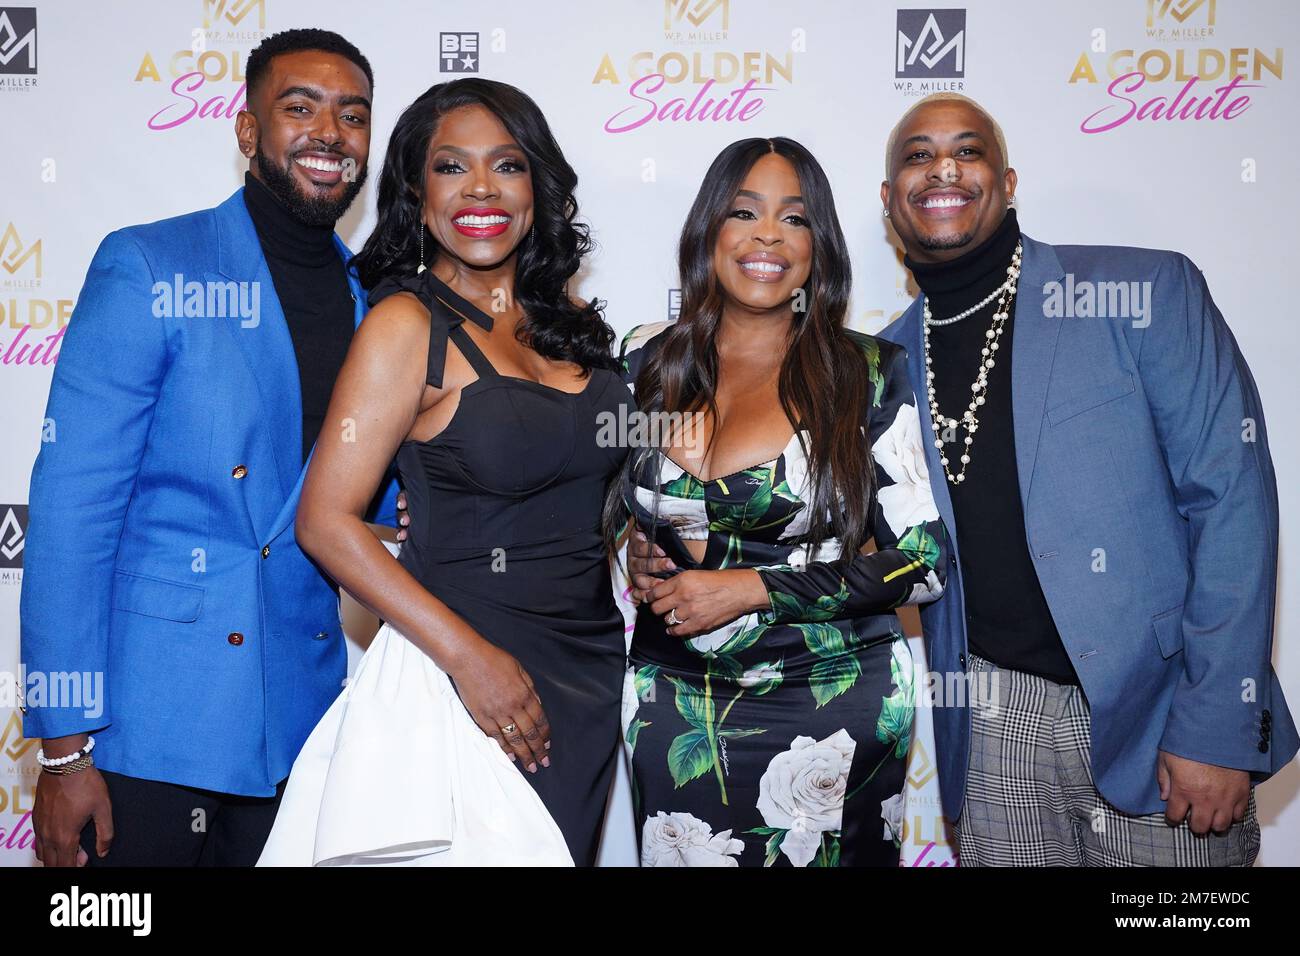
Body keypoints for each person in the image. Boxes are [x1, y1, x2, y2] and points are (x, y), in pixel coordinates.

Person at [20, 29, 398, 866]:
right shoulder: (152, 264)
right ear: (247, 131)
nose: (329, 134)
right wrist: (63, 747)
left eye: (353, 115)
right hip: (145, 730)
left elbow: (372, 510)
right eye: (299, 108)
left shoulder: (378, 308)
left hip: (301, 732)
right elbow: (71, 513)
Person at [255, 78, 633, 867]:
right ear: (416, 193)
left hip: (590, 672)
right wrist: (468, 659)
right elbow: (324, 521)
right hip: (462, 676)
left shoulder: (573, 327)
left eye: (508, 165)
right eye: (452, 167)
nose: (483, 189)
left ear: (539, 186)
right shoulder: (405, 325)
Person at [614, 138, 947, 867]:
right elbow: (595, 498)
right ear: (710, 231)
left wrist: (750, 588)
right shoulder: (645, 361)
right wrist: (636, 552)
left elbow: (924, 567)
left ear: (817, 247)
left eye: (793, 219)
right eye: (744, 211)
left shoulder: (867, 373)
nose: (768, 234)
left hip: (828, 705)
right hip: (673, 702)